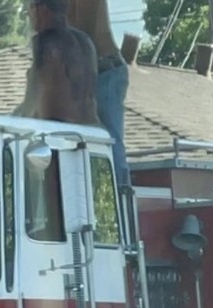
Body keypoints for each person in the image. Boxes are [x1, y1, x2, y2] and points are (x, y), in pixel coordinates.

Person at [68, 0, 131, 185]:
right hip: (93, 69)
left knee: (110, 140)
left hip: (105, 70)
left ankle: (121, 193)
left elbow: (82, 33)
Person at [13, 0, 99, 127]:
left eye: (30, 9)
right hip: (91, 129)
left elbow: (37, 108)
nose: (30, 16)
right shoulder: (85, 42)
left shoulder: (49, 47)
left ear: (41, 10)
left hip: (57, 130)